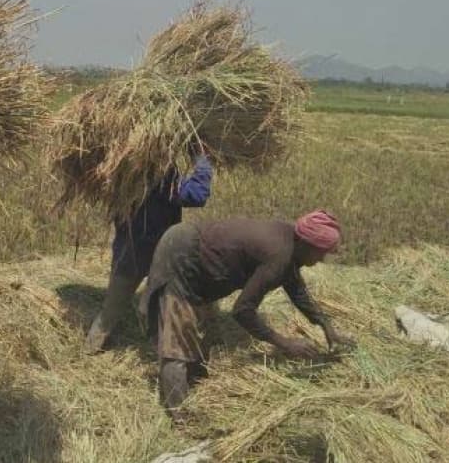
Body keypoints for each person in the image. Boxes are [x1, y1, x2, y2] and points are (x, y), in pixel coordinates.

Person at [138, 210, 355, 415]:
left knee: (197, 331)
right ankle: (179, 415)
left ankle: (192, 382)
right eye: (321, 254)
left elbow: (295, 286)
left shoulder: (291, 242)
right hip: (182, 253)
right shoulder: (279, 254)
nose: (320, 261)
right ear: (308, 244)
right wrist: (283, 342)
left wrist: (325, 324)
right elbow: (242, 310)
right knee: (177, 344)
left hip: (193, 251)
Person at [83, 150, 213, 353]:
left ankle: (90, 349)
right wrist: (201, 161)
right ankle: (168, 353)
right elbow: (197, 195)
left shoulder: (119, 170)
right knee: (170, 303)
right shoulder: (159, 175)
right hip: (159, 250)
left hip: (127, 249)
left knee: (111, 310)